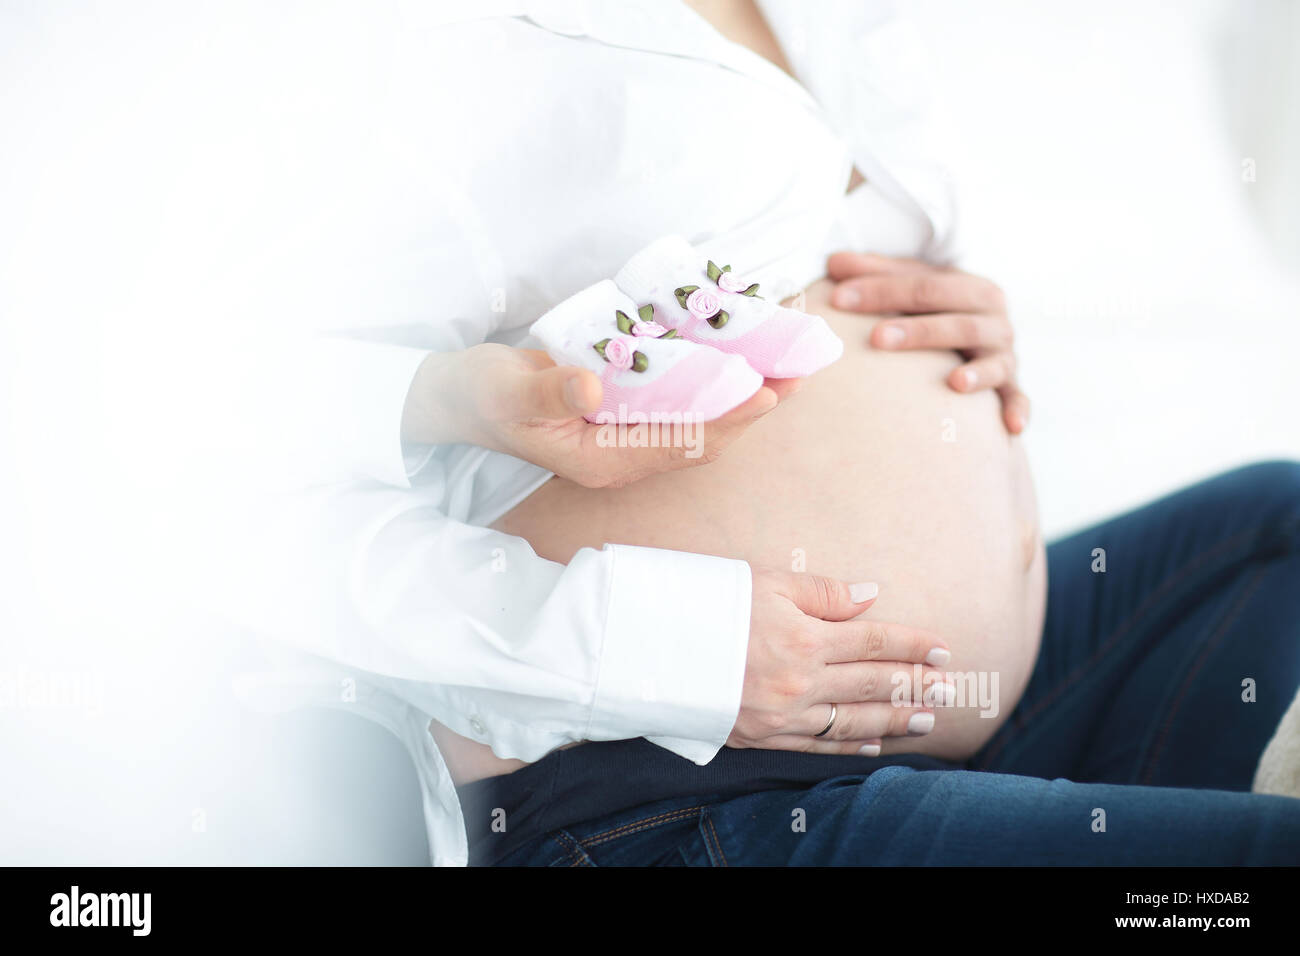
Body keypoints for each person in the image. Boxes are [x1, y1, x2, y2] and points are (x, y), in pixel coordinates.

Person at [230, 0, 1298, 866]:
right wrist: (679, 654)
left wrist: (958, 319)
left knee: (1275, 526)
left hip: (931, 712)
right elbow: (226, 493)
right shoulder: (414, 51)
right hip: (667, 792)